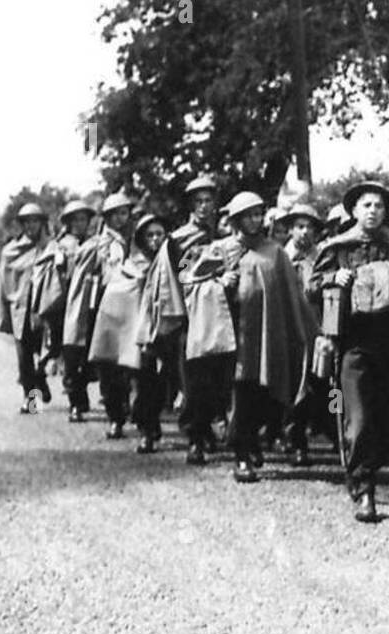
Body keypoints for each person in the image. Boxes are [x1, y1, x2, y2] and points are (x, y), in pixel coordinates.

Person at [310, 181, 389, 522]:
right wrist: (333, 278)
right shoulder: (337, 248)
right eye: (366, 205)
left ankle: (370, 467)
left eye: (379, 206)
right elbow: (310, 287)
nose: (373, 211)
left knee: (386, 419)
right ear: (354, 211)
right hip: (353, 344)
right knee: (356, 418)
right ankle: (363, 488)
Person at [191, 191, 317, 482]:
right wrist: (218, 282)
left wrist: (310, 334)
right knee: (242, 395)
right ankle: (242, 454)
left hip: (269, 336)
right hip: (234, 337)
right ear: (236, 219)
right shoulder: (219, 250)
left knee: (268, 396)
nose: (254, 219)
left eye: (259, 214)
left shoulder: (276, 253)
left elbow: (293, 297)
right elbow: (191, 281)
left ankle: (254, 438)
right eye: (248, 215)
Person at [88, 213, 178, 453]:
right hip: (136, 334)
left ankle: (152, 423)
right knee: (142, 383)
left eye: (160, 234)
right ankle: (145, 430)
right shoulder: (129, 267)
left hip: (164, 331)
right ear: (141, 239)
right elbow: (116, 297)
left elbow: (187, 271)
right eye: (150, 235)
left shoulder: (173, 260)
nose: (156, 239)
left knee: (159, 386)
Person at [161, 175, 231, 465]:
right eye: (199, 201)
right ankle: (195, 437)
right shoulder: (180, 238)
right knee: (194, 379)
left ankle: (212, 428)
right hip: (192, 314)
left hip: (223, 313)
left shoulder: (225, 233)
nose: (204, 207)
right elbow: (180, 274)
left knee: (220, 378)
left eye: (209, 200)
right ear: (191, 204)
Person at [63, 192, 134, 438]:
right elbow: (79, 281)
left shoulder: (137, 240)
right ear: (107, 218)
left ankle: (128, 410)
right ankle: (113, 416)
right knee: (106, 366)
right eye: (115, 214)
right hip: (103, 311)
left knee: (128, 365)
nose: (121, 219)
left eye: (124, 213)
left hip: (132, 310)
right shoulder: (97, 245)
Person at [30, 199, 95, 420]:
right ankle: (74, 402)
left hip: (89, 306)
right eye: (75, 219)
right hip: (62, 309)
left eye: (83, 219)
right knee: (67, 355)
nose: (80, 223)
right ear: (68, 222)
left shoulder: (95, 243)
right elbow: (44, 276)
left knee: (86, 357)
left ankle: (80, 396)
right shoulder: (60, 246)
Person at [281, 202, 332, 466]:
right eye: (299, 227)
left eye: (309, 227)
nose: (304, 233)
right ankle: (294, 439)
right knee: (293, 386)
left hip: (317, 329)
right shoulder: (280, 257)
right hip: (289, 330)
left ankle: (332, 432)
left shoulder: (322, 257)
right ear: (290, 229)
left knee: (321, 385)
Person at [0, 202, 52, 412]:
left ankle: (41, 376)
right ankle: (30, 400)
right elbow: (3, 283)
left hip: (45, 310)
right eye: (27, 222)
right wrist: (3, 312)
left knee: (49, 352)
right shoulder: (11, 251)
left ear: (42, 223)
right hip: (21, 309)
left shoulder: (51, 247)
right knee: (24, 358)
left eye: (35, 221)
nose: (31, 226)